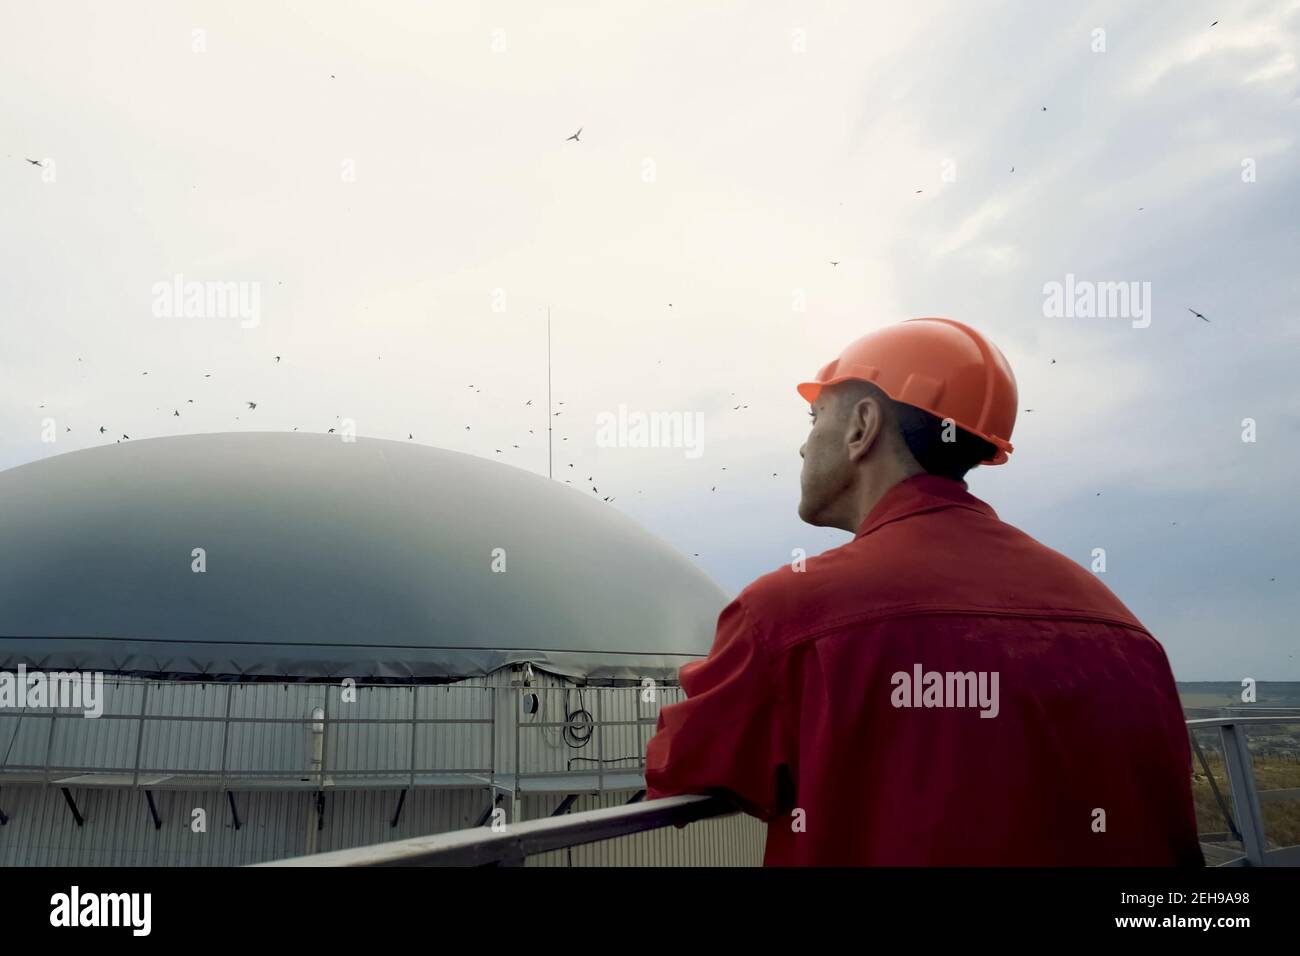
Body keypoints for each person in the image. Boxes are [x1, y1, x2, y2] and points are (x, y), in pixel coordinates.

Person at [644, 317, 1203, 866]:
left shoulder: (787, 613)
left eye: (814, 418)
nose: (803, 446)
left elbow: (684, 766)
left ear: (862, 427)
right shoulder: (1123, 629)